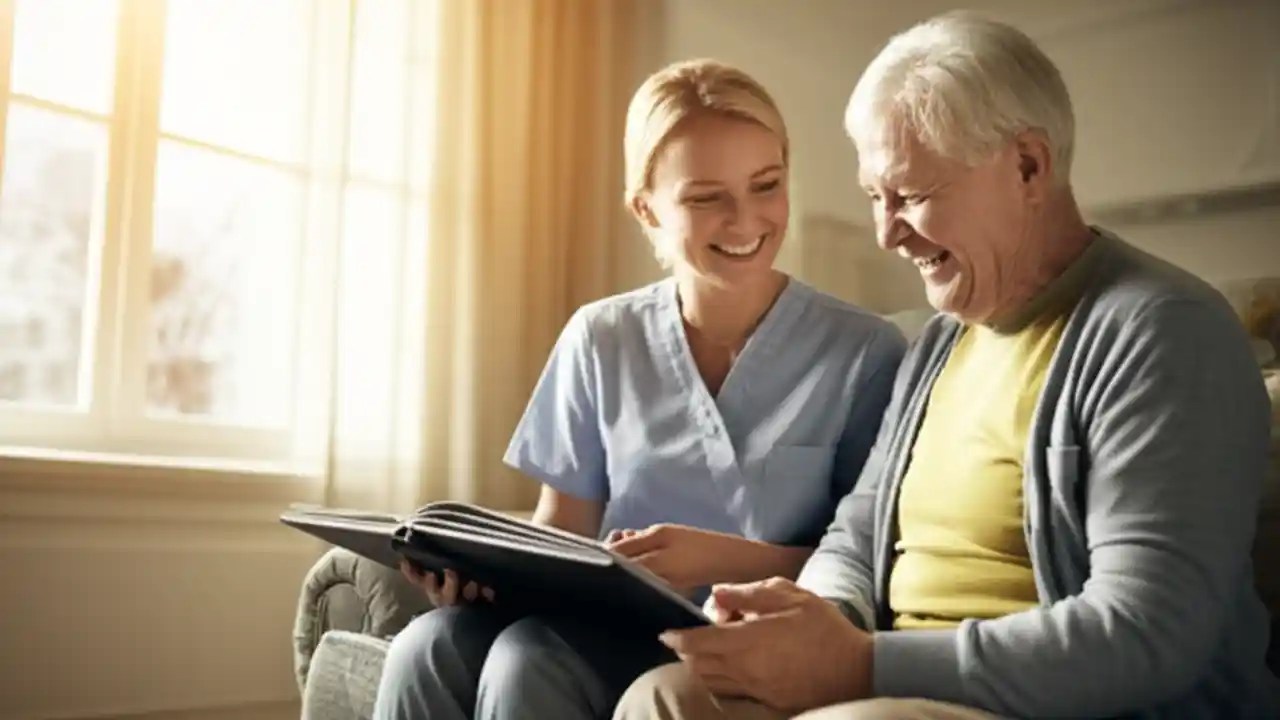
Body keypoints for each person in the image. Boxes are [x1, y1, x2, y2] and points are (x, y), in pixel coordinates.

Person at [615, 12, 1279, 720]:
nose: (886, 231)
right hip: (890, 681)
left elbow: (1146, 632)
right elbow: (855, 533)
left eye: (912, 195)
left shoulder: (1159, 331)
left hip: (1051, 705)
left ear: (1028, 166)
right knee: (665, 698)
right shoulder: (939, 344)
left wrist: (858, 665)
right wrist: (811, 618)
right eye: (876, 196)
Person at [371, 58, 907, 720]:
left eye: (766, 185)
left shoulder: (864, 353)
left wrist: (728, 559)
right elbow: (561, 535)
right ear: (645, 208)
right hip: (606, 624)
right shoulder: (601, 337)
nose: (745, 221)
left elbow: (870, 566)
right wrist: (476, 580)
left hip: (741, 642)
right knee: (427, 645)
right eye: (706, 197)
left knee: (529, 658)